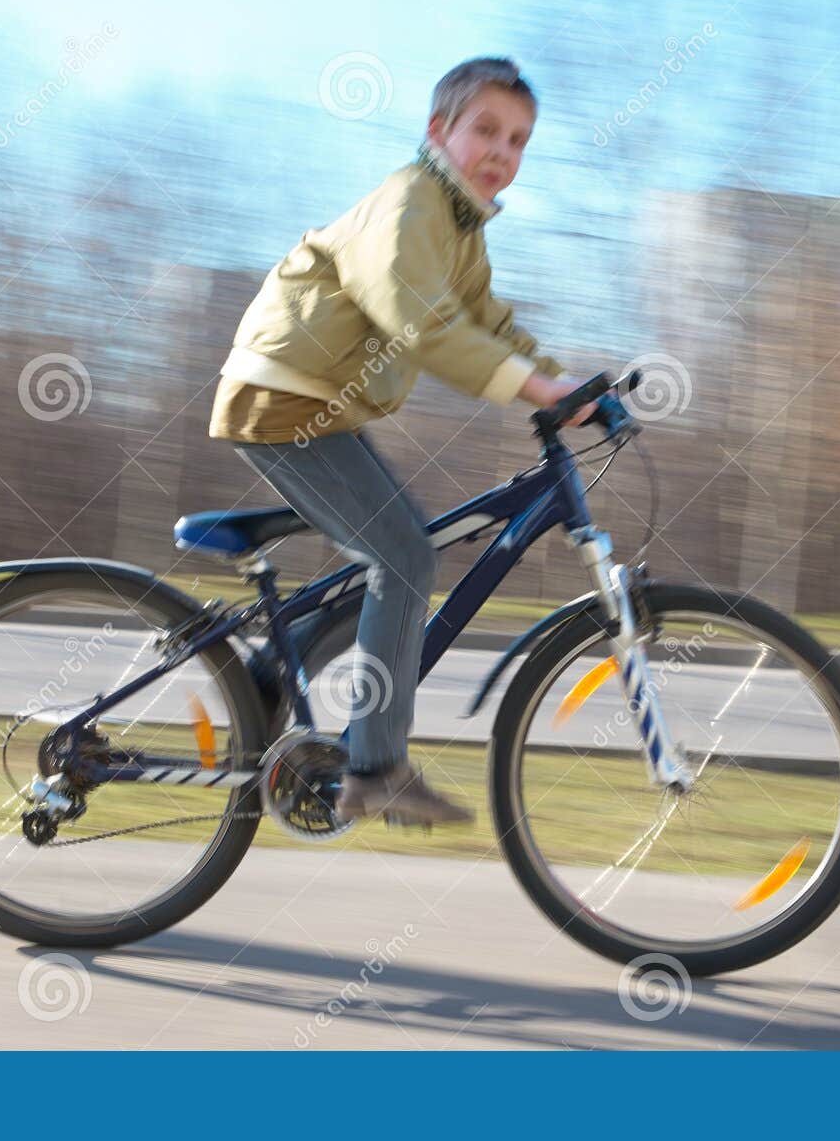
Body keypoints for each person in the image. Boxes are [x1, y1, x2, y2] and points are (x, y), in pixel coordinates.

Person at [209, 56, 590, 826]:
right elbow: (424, 321)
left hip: (314, 402)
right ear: (438, 131)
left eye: (518, 140)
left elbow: (488, 323)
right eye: (486, 130)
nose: (501, 152)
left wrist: (570, 388)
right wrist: (534, 389)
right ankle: (375, 769)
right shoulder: (410, 202)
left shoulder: (459, 231)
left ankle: (269, 674)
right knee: (406, 558)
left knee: (405, 554)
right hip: (282, 394)